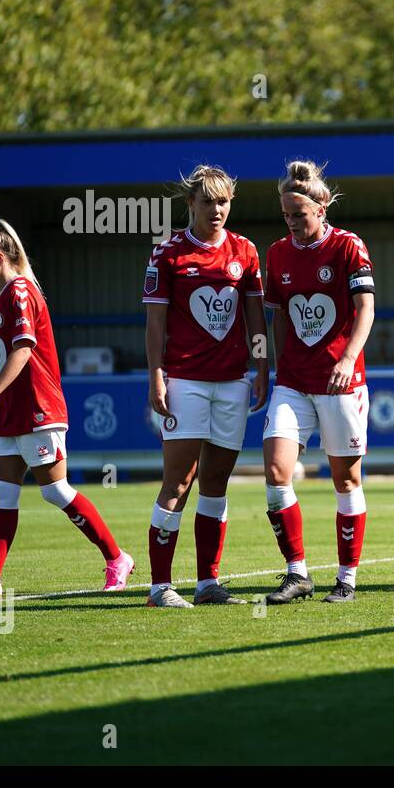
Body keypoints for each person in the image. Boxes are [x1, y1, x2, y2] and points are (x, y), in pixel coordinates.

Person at [0, 220, 130, 597]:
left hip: (38, 409)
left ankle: (116, 557)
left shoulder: (21, 293)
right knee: (3, 494)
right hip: (11, 414)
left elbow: (24, 350)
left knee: (55, 491)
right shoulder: (2, 298)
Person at [141, 165, 267, 608]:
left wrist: (261, 366)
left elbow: (255, 316)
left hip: (233, 382)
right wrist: (156, 373)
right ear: (190, 203)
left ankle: (207, 583)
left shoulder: (246, 251)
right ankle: (159, 587)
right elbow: (154, 324)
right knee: (178, 482)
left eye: (224, 201)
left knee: (216, 480)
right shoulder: (167, 253)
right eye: (208, 201)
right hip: (185, 381)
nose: (217, 210)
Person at [261, 161, 375, 604]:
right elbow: (280, 317)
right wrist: (275, 367)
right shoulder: (277, 253)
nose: (292, 221)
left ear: (321, 206)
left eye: (299, 213)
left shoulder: (348, 246)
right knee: (275, 471)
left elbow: (365, 308)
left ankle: (346, 578)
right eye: (287, 214)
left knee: (345, 481)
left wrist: (348, 358)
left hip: (340, 381)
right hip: (293, 380)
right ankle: (297, 573)